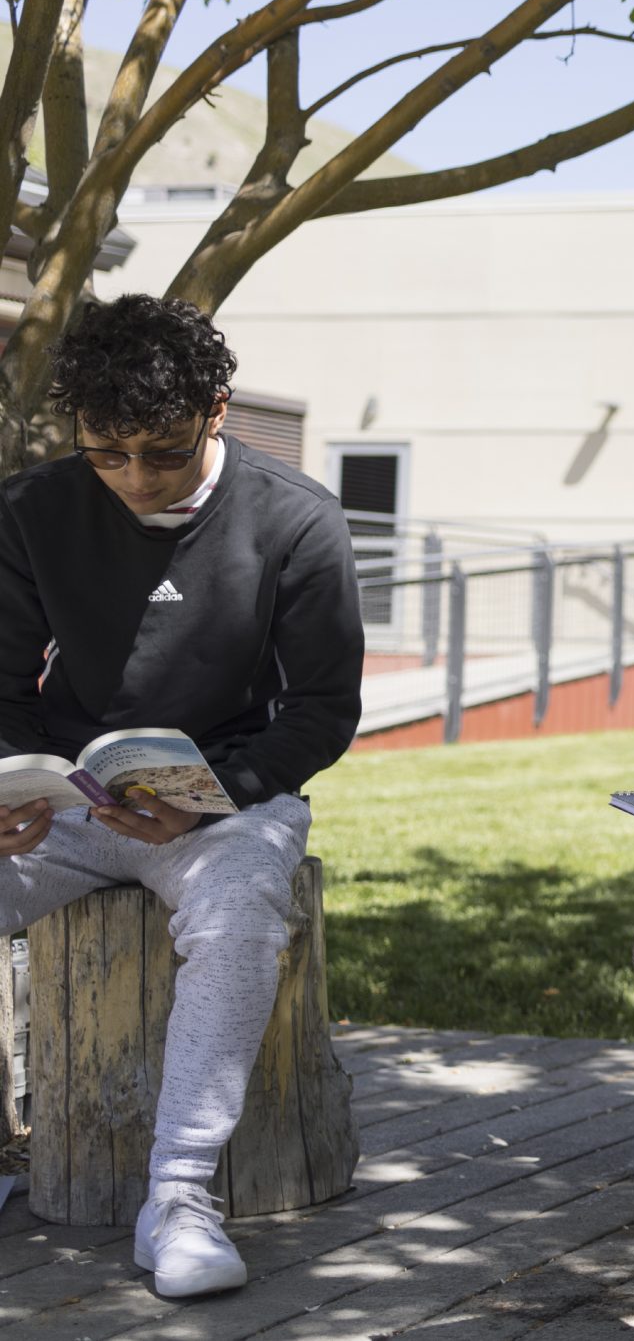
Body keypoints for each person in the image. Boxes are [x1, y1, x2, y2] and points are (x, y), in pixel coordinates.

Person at [0, 295, 362, 1297]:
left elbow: (323, 711)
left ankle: (181, 1194)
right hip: (70, 801)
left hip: (230, 798)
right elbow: (1, 688)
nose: (132, 479)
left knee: (244, 907)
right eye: (106, 452)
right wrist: (11, 788)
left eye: (159, 451)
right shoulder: (33, 510)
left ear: (218, 408)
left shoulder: (295, 519)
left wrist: (223, 794)